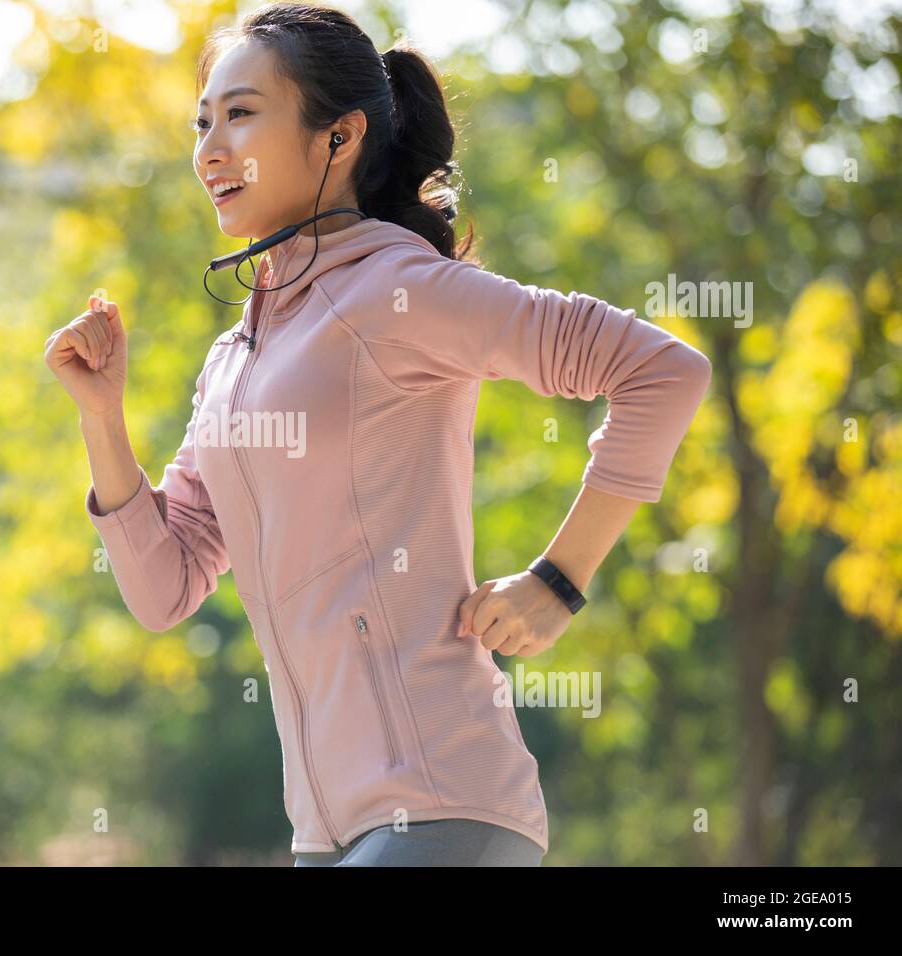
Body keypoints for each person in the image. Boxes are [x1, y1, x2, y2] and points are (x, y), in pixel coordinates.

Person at [45, 2, 712, 867]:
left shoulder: (400, 290)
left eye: (242, 114)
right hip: (325, 834)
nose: (209, 150)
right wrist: (102, 417)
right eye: (202, 122)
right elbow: (163, 588)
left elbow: (663, 371)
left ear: (339, 136)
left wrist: (560, 578)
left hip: (442, 801)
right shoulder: (235, 357)